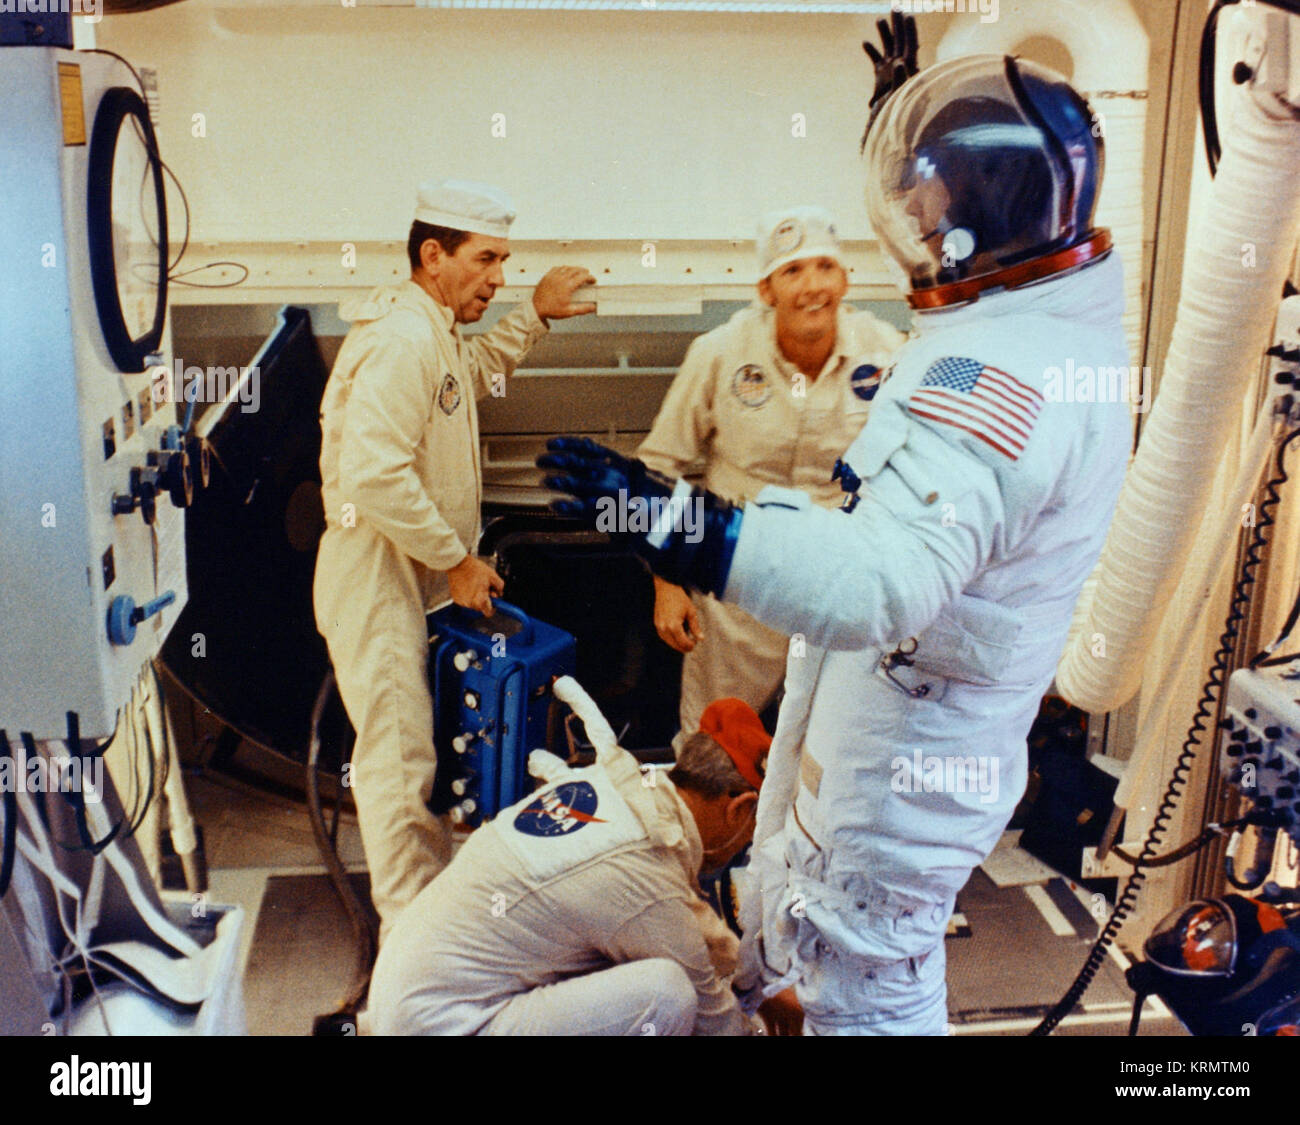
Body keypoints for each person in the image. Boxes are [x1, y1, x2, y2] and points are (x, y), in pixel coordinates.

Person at [539, 51, 1132, 1034]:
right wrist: (905, 132)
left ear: (983, 203)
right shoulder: (1033, 330)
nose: (919, 215)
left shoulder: (1000, 385)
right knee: (784, 873)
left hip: (891, 725)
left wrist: (686, 531)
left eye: (931, 191)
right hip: (845, 664)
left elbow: (879, 585)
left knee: (863, 977)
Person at [314, 180, 596, 938]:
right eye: (485, 259)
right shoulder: (403, 339)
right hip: (378, 581)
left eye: (504, 260)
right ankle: (412, 959)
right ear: (432, 255)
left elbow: (464, 379)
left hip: (412, 579)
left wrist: (532, 317)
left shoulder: (430, 330)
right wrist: (458, 560)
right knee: (401, 770)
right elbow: (375, 475)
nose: (498, 277)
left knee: (427, 764)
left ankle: (433, 931)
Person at [638, 207, 905, 738]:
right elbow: (654, 469)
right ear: (766, 289)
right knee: (714, 738)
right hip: (740, 574)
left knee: (837, 740)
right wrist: (666, 582)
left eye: (825, 268)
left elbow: (918, 466)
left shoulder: (887, 353)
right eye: (793, 271)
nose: (813, 287)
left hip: (840, 578)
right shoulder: (719, 353)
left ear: (845, 279)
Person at [368, 689, 770, 1036]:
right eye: (751, 834)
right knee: (668, 995)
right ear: (740, 809)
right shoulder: (641, 862)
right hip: (442, 1023)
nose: (741, 848)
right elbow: (714, 1021)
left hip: (407, 996)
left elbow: (681, 921)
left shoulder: (613, 788)